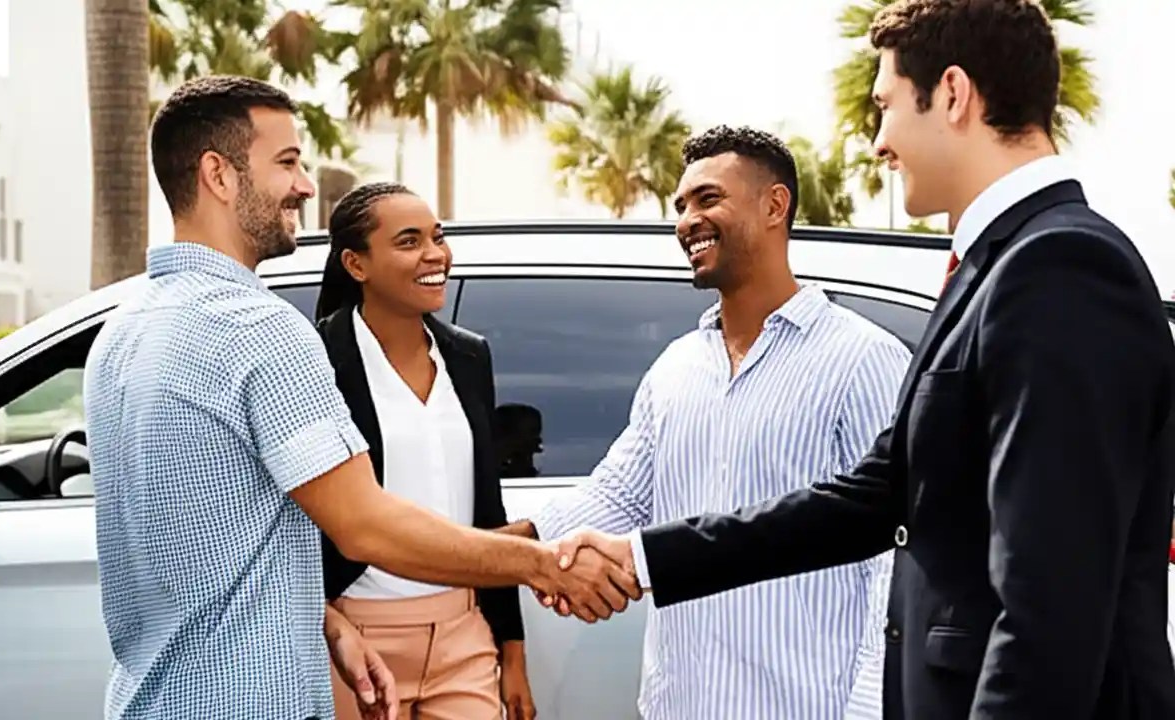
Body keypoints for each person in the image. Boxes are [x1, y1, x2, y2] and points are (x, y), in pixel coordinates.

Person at [555, 2, 1175, 719]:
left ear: (952, 94)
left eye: (884, 107)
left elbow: (1052, 603)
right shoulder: (995, 267)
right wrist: (643, 559)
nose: (879, 141)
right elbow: (876, 496)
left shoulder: (1062, 268)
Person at [83, 75, 638, 720]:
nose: (306, 185)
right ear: (219, 174)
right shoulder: (258, 327)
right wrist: (541, 564)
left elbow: (206, 541)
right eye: (286, 162)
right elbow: (364, 522)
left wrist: (331, 626)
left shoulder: (119, 333)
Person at [509, 125, 912, 719]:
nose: (687, 221)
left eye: (708, 199)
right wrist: (480, 552)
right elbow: (615, 495)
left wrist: (869, 708)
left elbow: (893, 561)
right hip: (680, 705)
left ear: (775, 205)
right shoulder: (676, 367)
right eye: (680, 206)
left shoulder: (862, 358)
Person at [312, 181, 535, 720]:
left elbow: (487, 511)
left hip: (463, 635)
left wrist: (512, 648)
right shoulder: (318, 358)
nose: (435, 254)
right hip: (354, 641)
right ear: (355, 264)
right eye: (409, 242)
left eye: (438, 237)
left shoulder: (468, 356)